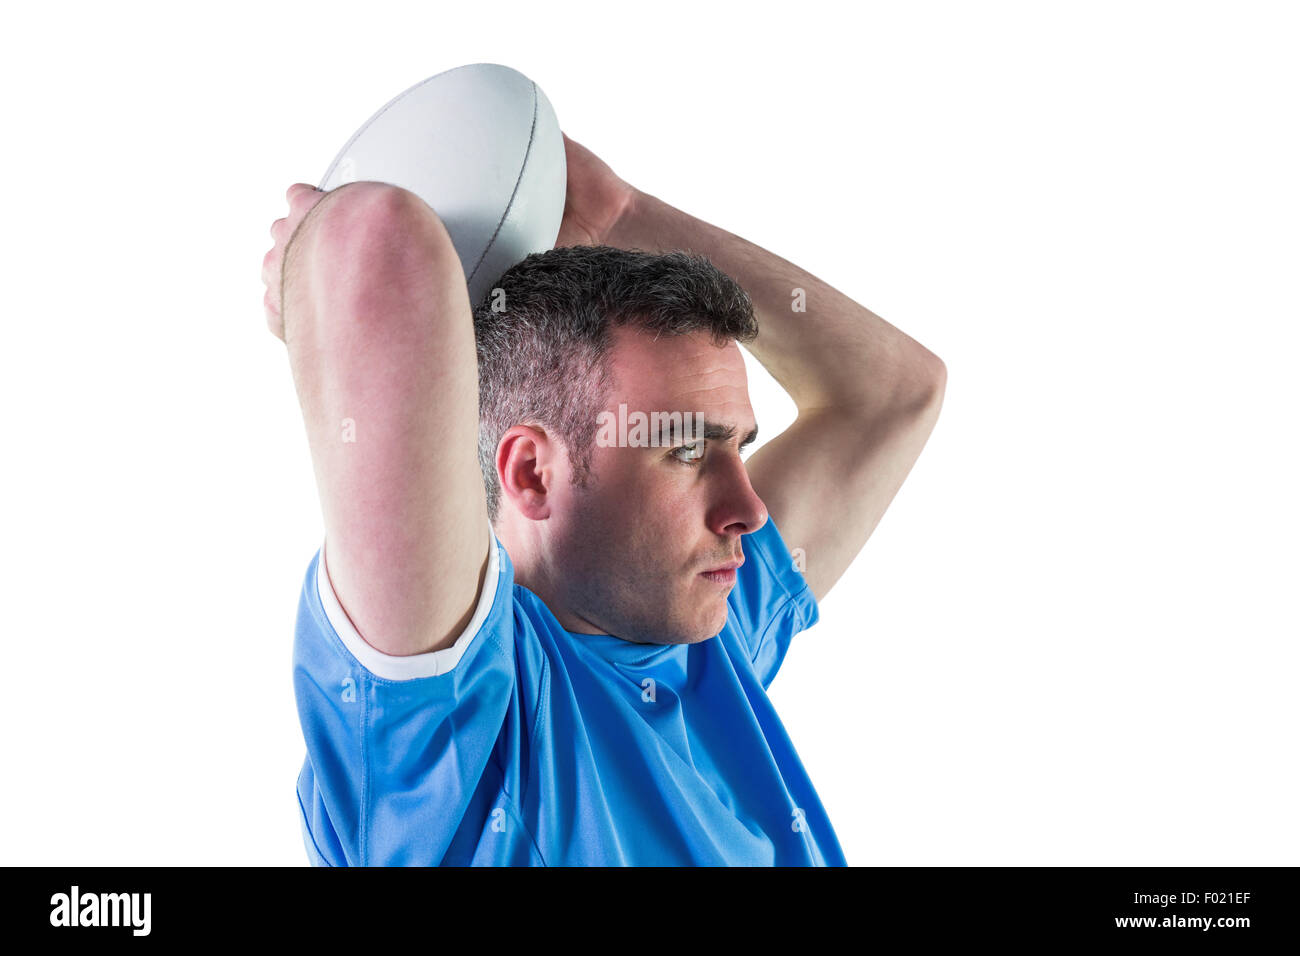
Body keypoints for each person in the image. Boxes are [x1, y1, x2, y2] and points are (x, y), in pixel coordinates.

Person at [262, 134, 947, 865]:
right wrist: (323, 273)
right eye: (685, 449)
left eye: (737, 447)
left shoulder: (706, 647)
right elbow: (370, 244)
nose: (747, 509)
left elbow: (895, 394)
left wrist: (619, 213)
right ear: (530, 474)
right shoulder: (460, 733)